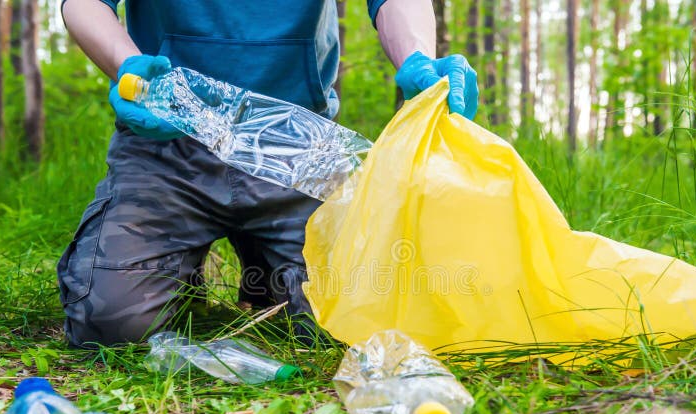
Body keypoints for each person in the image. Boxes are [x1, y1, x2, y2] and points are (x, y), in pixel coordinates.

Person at [58, 0, 479, 348]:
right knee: (111, 326)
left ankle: (264, 263)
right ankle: (182, 265)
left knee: (350, 325)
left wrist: (417, 57)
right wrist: (126, 64)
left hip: (296, 148)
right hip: (168, 140)